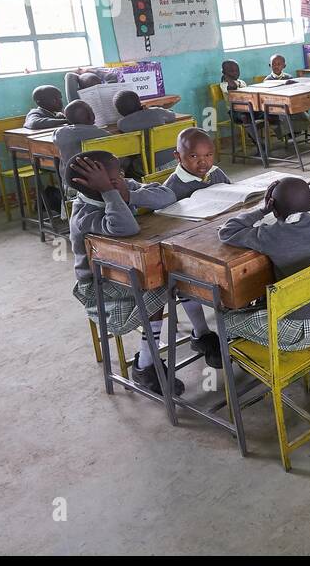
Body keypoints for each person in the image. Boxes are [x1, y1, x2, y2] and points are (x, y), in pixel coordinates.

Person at [68, 152, 222, 393]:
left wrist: (127, 193)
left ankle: (201, 334)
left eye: (120, 173)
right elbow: (126, 228)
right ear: (93, 186)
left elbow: (167, 196)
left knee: (180, 268)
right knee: (158, 282)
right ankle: (144, 364)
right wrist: (111, 194)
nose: (121, 177)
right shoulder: (84, 216)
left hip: (132, 267)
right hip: (102, 285)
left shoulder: (121, 185)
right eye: (113, 177)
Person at [217, 177, 310, 397]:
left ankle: (238, 371)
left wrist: (262, 210)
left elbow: (227, 231)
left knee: (225, 321)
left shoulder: (271, 235)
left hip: (299, 332)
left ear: (275, 210)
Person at [114, 90, 178, 168]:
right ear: (140, 103)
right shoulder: (156, 112)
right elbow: (172, 116)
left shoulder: (122, 124)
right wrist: (152, 108)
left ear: (119, 111)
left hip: (151, 167)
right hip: (175, 160)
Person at [53, 100, 109, 185]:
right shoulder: (102, 134)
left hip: (70, 184)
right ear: (91, 116)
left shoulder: (59, 133)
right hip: (98, 184)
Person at [164, 127, 231, 199]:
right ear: (178, 157)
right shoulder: (172, 187)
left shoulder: (216, 173)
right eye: (194, 156)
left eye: (208, 155)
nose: (202, 162)